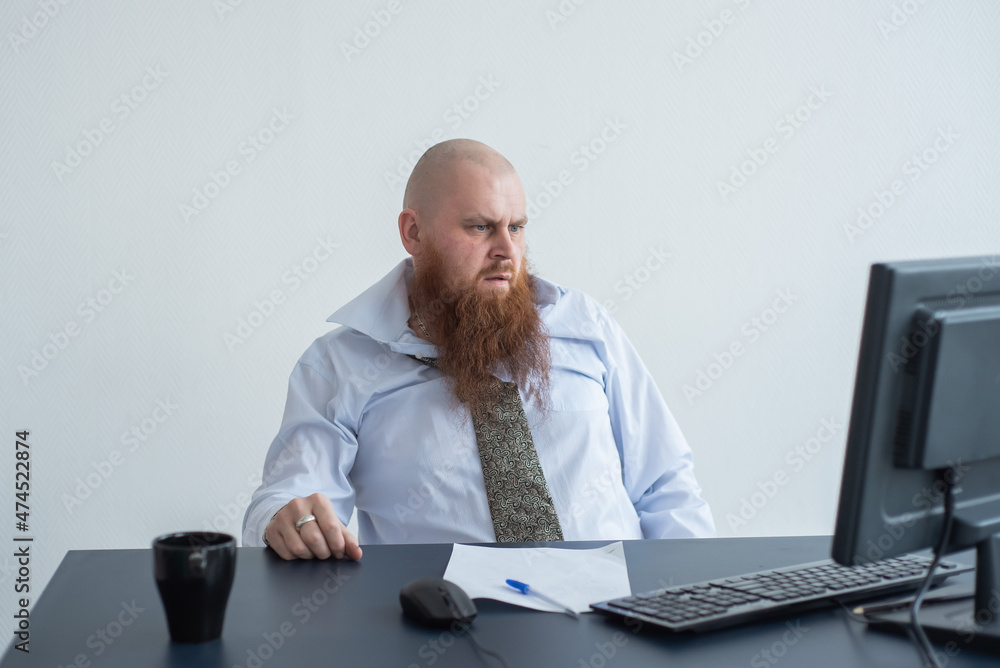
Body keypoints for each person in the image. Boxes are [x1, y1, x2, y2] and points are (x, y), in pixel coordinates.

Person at [242, 139, 715, 560]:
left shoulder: (584, 326)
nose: (507, 250)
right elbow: (288, 497)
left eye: (517, 227)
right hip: (444, 635)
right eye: (480, 227)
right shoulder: (341, 366)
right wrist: (286, 519)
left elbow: (665, 483)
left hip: (616, 623)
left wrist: (684, 608)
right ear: (413, 233)